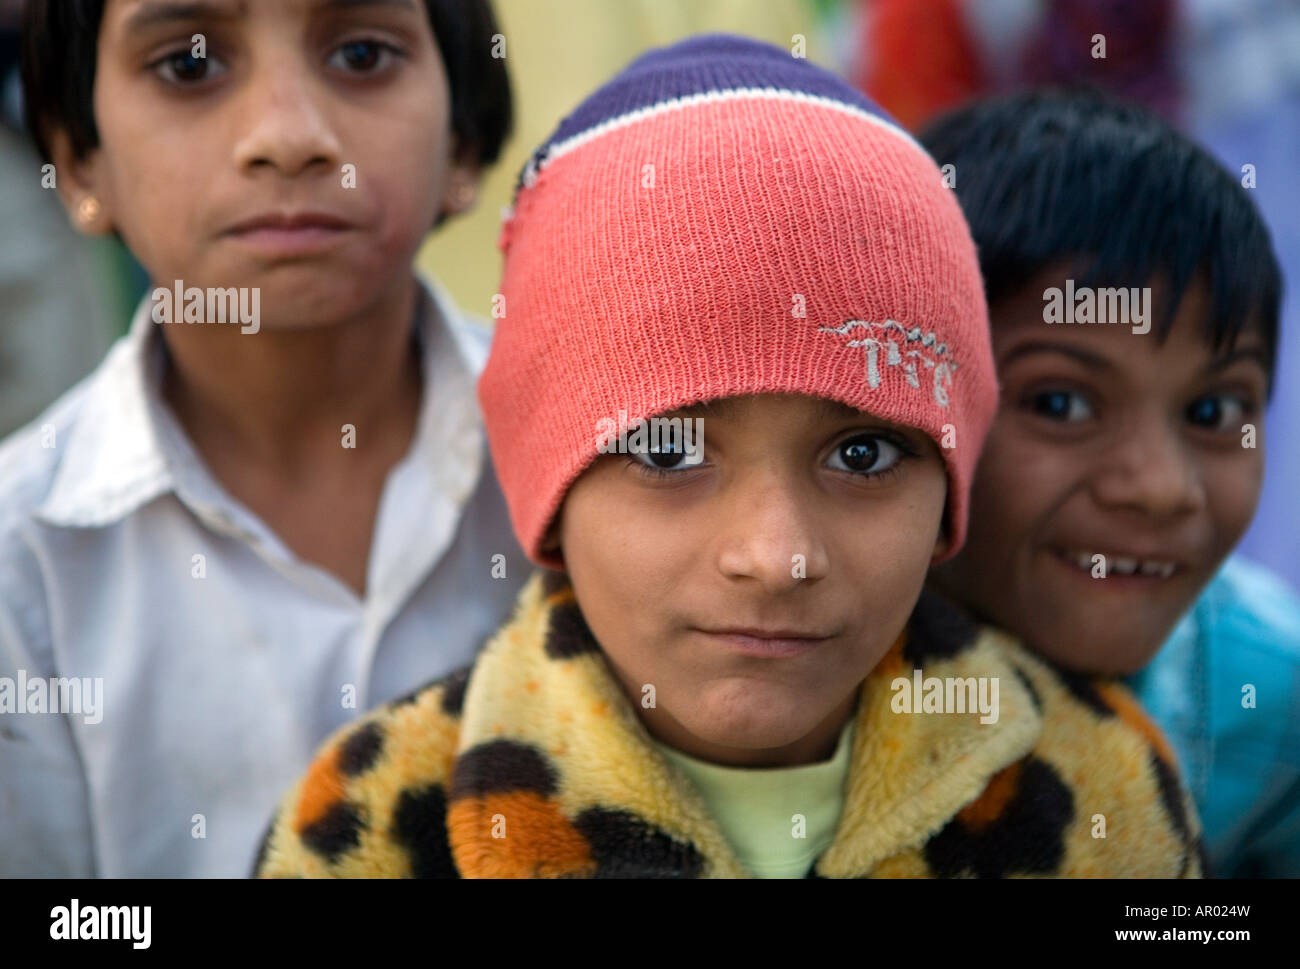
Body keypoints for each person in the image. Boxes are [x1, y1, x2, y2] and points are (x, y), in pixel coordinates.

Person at [255, 35, 1204, 879]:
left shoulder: (1098, 793)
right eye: (668, 452)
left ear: (951, 489)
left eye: (865, 452)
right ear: (545, 484)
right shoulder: (381, 825)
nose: (776, 554)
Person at [0, 0, 529, 876]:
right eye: (189, 66)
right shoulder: (24, 568)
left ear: (462, 144)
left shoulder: (604, 467)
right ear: (78, 161)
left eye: (363, 53)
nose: (288, 136)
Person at [920, 89, 1299, 876]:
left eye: (1213, 409)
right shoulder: (800, 659)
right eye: (1060, 403)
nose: (1161, 488)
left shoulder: (1276, 706)